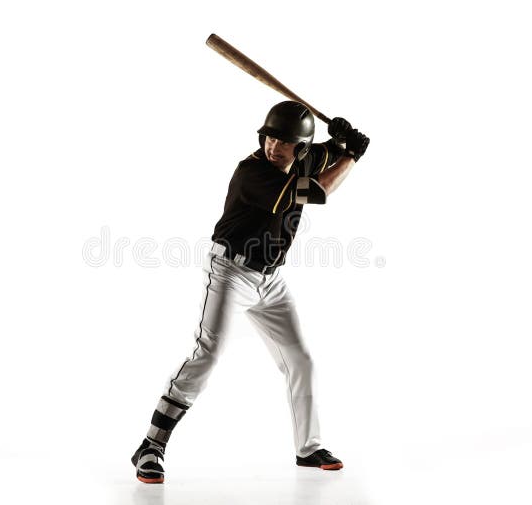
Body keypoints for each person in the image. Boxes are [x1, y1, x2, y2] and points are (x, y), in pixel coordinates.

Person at [130, 101, 370, 484]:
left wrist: (341, 141)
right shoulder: (253, 172)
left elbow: (329, 155)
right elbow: (321, 192)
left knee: (301, 360)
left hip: (270, 281)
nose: (275, 146)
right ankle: (151, 446)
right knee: (207, 355)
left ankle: (308, 449)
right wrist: (353, 156)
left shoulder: (304, 158)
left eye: (286, 141)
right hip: (230, 273)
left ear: (300, 148)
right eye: (271, 137)